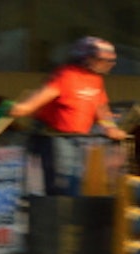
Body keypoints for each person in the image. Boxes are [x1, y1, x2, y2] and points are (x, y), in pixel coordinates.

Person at [9, 36, 127, 196]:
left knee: (74, 179)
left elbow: (101, 108)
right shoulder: (66, 75)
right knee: (62, 181)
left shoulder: (96, 80)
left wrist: (110, 128)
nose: (107, 64)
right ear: (86, 58)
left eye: (110, 61)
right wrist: (24, 107)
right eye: (102, 60)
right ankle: (58, 215)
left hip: (78, 138)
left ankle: (67, 214)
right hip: (55, 136)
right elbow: (44, 95)